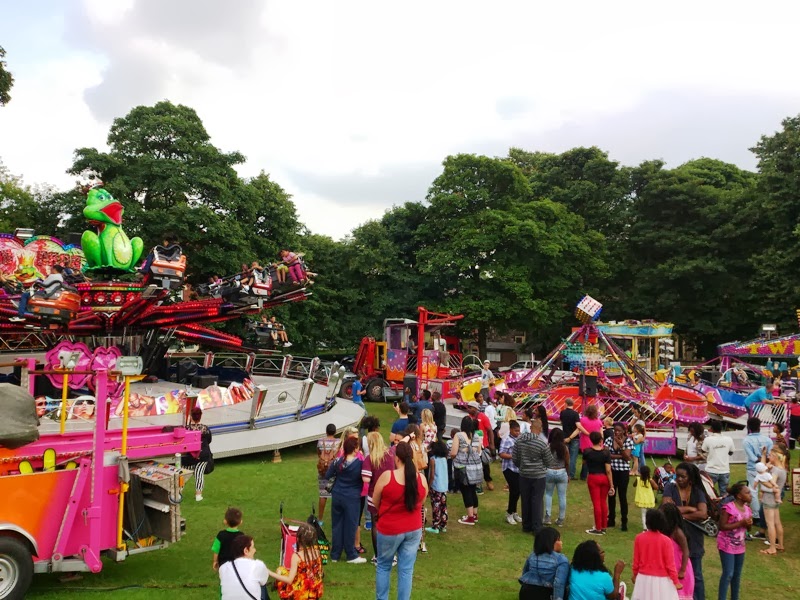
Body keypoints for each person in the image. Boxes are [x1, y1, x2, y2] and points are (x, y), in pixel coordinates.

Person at [373, 441, 429, 600]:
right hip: (413, 529)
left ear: (396, 458)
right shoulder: (421, 479)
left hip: (390, 529)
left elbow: (375, 502)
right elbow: (422, 500)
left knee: (384, 566)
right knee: (406, 570)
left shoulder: (387, 477)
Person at [661, 462, 707, 600]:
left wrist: (678, 515)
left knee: (697, 575)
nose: (679, 479)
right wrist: (690, 509)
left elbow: (703, 513)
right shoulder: (670, 487)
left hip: (694, 538)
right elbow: (665, 508)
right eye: (677, 476)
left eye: (683, 477)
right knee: (674, 572)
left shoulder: (697, 491)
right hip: (674, 538)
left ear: (690, 478)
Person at [325, 436, 366, 564]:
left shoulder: (337, 461)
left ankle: (335, 554)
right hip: (352, 498)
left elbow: (327, 475)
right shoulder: (360, 464)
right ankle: (351, 554)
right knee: (351, 525)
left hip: (337, 495)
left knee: (337, 525)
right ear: (355, 449)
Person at [513, 418, 554, 534]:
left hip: (524, 474)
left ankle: (526, 525)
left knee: (525, 499)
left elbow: (515, 458)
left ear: (530, 428)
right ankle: (537, 527)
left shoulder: (519, 441)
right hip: (538, 476)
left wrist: (522, 466)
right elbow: (549, 461)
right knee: (537, 501)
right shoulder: (542, 444)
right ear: (540, 429)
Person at [631, 509, 681, 600]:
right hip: (662, 581)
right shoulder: (666, 541)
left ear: (647, 522)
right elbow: (670, 565)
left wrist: (635, 574)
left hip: (643, 579)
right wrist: (676, 581)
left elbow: (636, 561)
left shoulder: (639, 538)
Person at [362, 431, 394, 564]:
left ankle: (378, 556)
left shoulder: (369, 459)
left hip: (374, 495)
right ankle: (391, 555)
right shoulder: (390, 456)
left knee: (376, 525)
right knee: (390, 524)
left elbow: (366, 479)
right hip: (389, 495)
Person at [269, 522, 324, 599]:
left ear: (298, 539)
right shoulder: (317, 552)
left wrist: (269, 572)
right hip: (315, 592)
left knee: (280, 570)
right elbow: (320, 573)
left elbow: (289, 580)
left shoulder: (297, 556)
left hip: (301, 594)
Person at [717, 481, 752, 598]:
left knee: (737, 575)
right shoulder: (728, 508)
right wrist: (741, 523)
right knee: (728, 574)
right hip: (726, 545)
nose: (750, 495)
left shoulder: (747, 509)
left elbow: (748, 529)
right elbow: (722, 526)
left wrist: (748, 525)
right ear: (739, 496)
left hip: (740, 546)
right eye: (747, 493)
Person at [518, 526, 570, 600]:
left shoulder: (532, 555)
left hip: (526, 592)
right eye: (558, 540)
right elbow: (559, 584)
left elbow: (525, 573)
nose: (561, 542)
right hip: (546, 593)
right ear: (551, 542)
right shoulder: (561, 559)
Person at [742, 416, 772, 539]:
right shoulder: (768, 440)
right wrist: (764, 459)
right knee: (766, 490)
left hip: (753, 468)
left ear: (749, 427)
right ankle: (765, 513)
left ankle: (757, 516)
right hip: (766, 468)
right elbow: (770, 456)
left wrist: (760, 459)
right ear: (760, 426)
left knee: (753, 491)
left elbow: (753, 458)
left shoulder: (746, 441)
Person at [451, 416, 483, 525]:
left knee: (466, 491)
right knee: (473, 490)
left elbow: (453, 452)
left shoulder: (458, 435)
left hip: (463, 467)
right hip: (476, 467)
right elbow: (479, 450)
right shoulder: (476, 436)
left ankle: (470, 517)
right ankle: (475, 514)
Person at [659, 502, 694, 600]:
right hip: (669, 569)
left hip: (680, 567)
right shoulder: (664, 530)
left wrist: (682, 571)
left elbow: (686, 551)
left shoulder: (677, 532)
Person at [219, 535, 269, 600]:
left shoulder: (223, 567)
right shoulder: (257, 565)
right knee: (262, 584)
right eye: (253, 547)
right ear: (246, 551)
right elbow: (263, 582)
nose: (255, 550)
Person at [583, 430, 614, 535]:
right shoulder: (606, 453)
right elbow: (608, 470)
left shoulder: (587, 452)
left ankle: (598, 528)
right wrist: (611, 484)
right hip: (604, 477)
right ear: (601, 440)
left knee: (596, 503)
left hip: (593, 477)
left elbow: (584, 462)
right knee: (603, 502)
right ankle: (604, 525)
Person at [605, 422, 634, 532]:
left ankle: (624, 521)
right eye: (615, 430)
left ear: (624, 431)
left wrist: (621, 447)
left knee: (622, 496)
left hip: (623, 472)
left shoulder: (628, 441)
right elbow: (606, 455)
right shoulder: (609, 440)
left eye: (619, 430)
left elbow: (627, 457)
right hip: (611, 471)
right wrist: (620, 456)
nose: (617, 432)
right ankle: (611, 519)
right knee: (611, 495)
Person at [182, 406, 213, 502]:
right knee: (199, 474)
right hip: (203, 454)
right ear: (200, 416)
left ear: (191, 416)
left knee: (183, 474)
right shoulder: (205, 428)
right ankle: (198, 495)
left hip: (189, 455)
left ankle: (178, 493)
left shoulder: (186, 429)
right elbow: (209, 440)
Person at [760, 448, 787, 555]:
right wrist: (763, 455)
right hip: (775, 500)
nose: (768, 457)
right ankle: (780, 544)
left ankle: (772, 548)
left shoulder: (775, 471)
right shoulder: (782, 469)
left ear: (775, 457)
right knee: (777, 522)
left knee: (770, 524)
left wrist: (762, 483)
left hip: (769, 500)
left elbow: (771, 486)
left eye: (770, 455)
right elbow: (762, 467)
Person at [568, 404, 603, 481]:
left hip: (585, 441)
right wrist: (601, 441)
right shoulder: (598, 421)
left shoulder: (583, 420)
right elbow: (601, 433)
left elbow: (578, 429)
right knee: (595, 459)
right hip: (596, 441)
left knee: (585, 459)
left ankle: (583, 475)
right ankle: (592, 474)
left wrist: (570, 437)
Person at [467, 400, 495, 490]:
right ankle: (476, 483)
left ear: (475, 408)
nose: (468, 409)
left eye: (470, 407)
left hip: (483, 445)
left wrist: (492, 444)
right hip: (471, 445)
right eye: (468, 407)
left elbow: (490, 430)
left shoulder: (483, 417)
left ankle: (488, 480)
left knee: (485, 465)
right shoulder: (468, 417)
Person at [543, 427, 569, 527]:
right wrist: (568, 474)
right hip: (562, 471)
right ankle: (561, 519)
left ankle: (547, 517)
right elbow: (567, 462)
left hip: (549, 471)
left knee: (548, 494)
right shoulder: (565, 448)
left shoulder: (547, 447)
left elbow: (544, 460)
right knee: (562, 496)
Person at [499, 419, 522, 525]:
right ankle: (509, 513)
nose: (518, 433)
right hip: (509, 468)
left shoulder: (519, 439)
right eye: (516, 431)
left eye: (518, 431)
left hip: (518, 469)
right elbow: (501, 453)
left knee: (518, 491)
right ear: (511, 430)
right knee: (514, 490)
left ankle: (514, 511)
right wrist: (513, 456)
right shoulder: (506, 439)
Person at [700, 420, 734, 494]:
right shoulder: (729, 439)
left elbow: (703, 450)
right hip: (724, 470)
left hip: (711, 470)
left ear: (711, 429)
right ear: (722, 428)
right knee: (724, 493)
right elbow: (731, 452)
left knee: (708, 492)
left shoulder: (708, 439)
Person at [316, 423, 339, 525]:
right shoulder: (338, 442)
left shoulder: (320, 441)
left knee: (323, 494)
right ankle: (336, 518)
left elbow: (318, 453)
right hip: (334, 471)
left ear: (326, 432)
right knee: (336, 494)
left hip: (323, 471)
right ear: (335, 432)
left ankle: (320, 520)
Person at [426, 440, 449, 534]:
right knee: (443, 506)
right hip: (444, 485)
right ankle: (443, 525)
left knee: (436, 505)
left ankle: (435, 525)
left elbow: (432, 475)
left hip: (436, 486)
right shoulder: (444, 459)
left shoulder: (433, 459)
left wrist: (428, 486)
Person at [212, 507, 244, 571]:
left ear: (225, 521)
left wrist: (215, 561)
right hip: (237, 564)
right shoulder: (241, 535)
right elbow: (243, 551)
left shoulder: (221, 535)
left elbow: (216, 550)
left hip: (223, 564)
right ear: (240, 522)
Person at [560, 398, 581, 479]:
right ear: (573, 404)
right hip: (574, 437)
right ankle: (571, 474)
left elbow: (561, 422)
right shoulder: (575, 414)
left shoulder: (562, 413)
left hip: (565, 436)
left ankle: (564, 472)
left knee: (565, 456)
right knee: (573, 457)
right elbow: (578, 427)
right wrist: (571, 437)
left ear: (565, 404)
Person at [633, 465, 658, 530]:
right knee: (651, 514)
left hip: (642, 499)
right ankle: (651, 527)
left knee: (643, 514)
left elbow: (634, 485)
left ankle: (645, 528)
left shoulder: (638, 479)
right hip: (649, 499)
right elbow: (656, 487)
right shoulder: (650, 480)